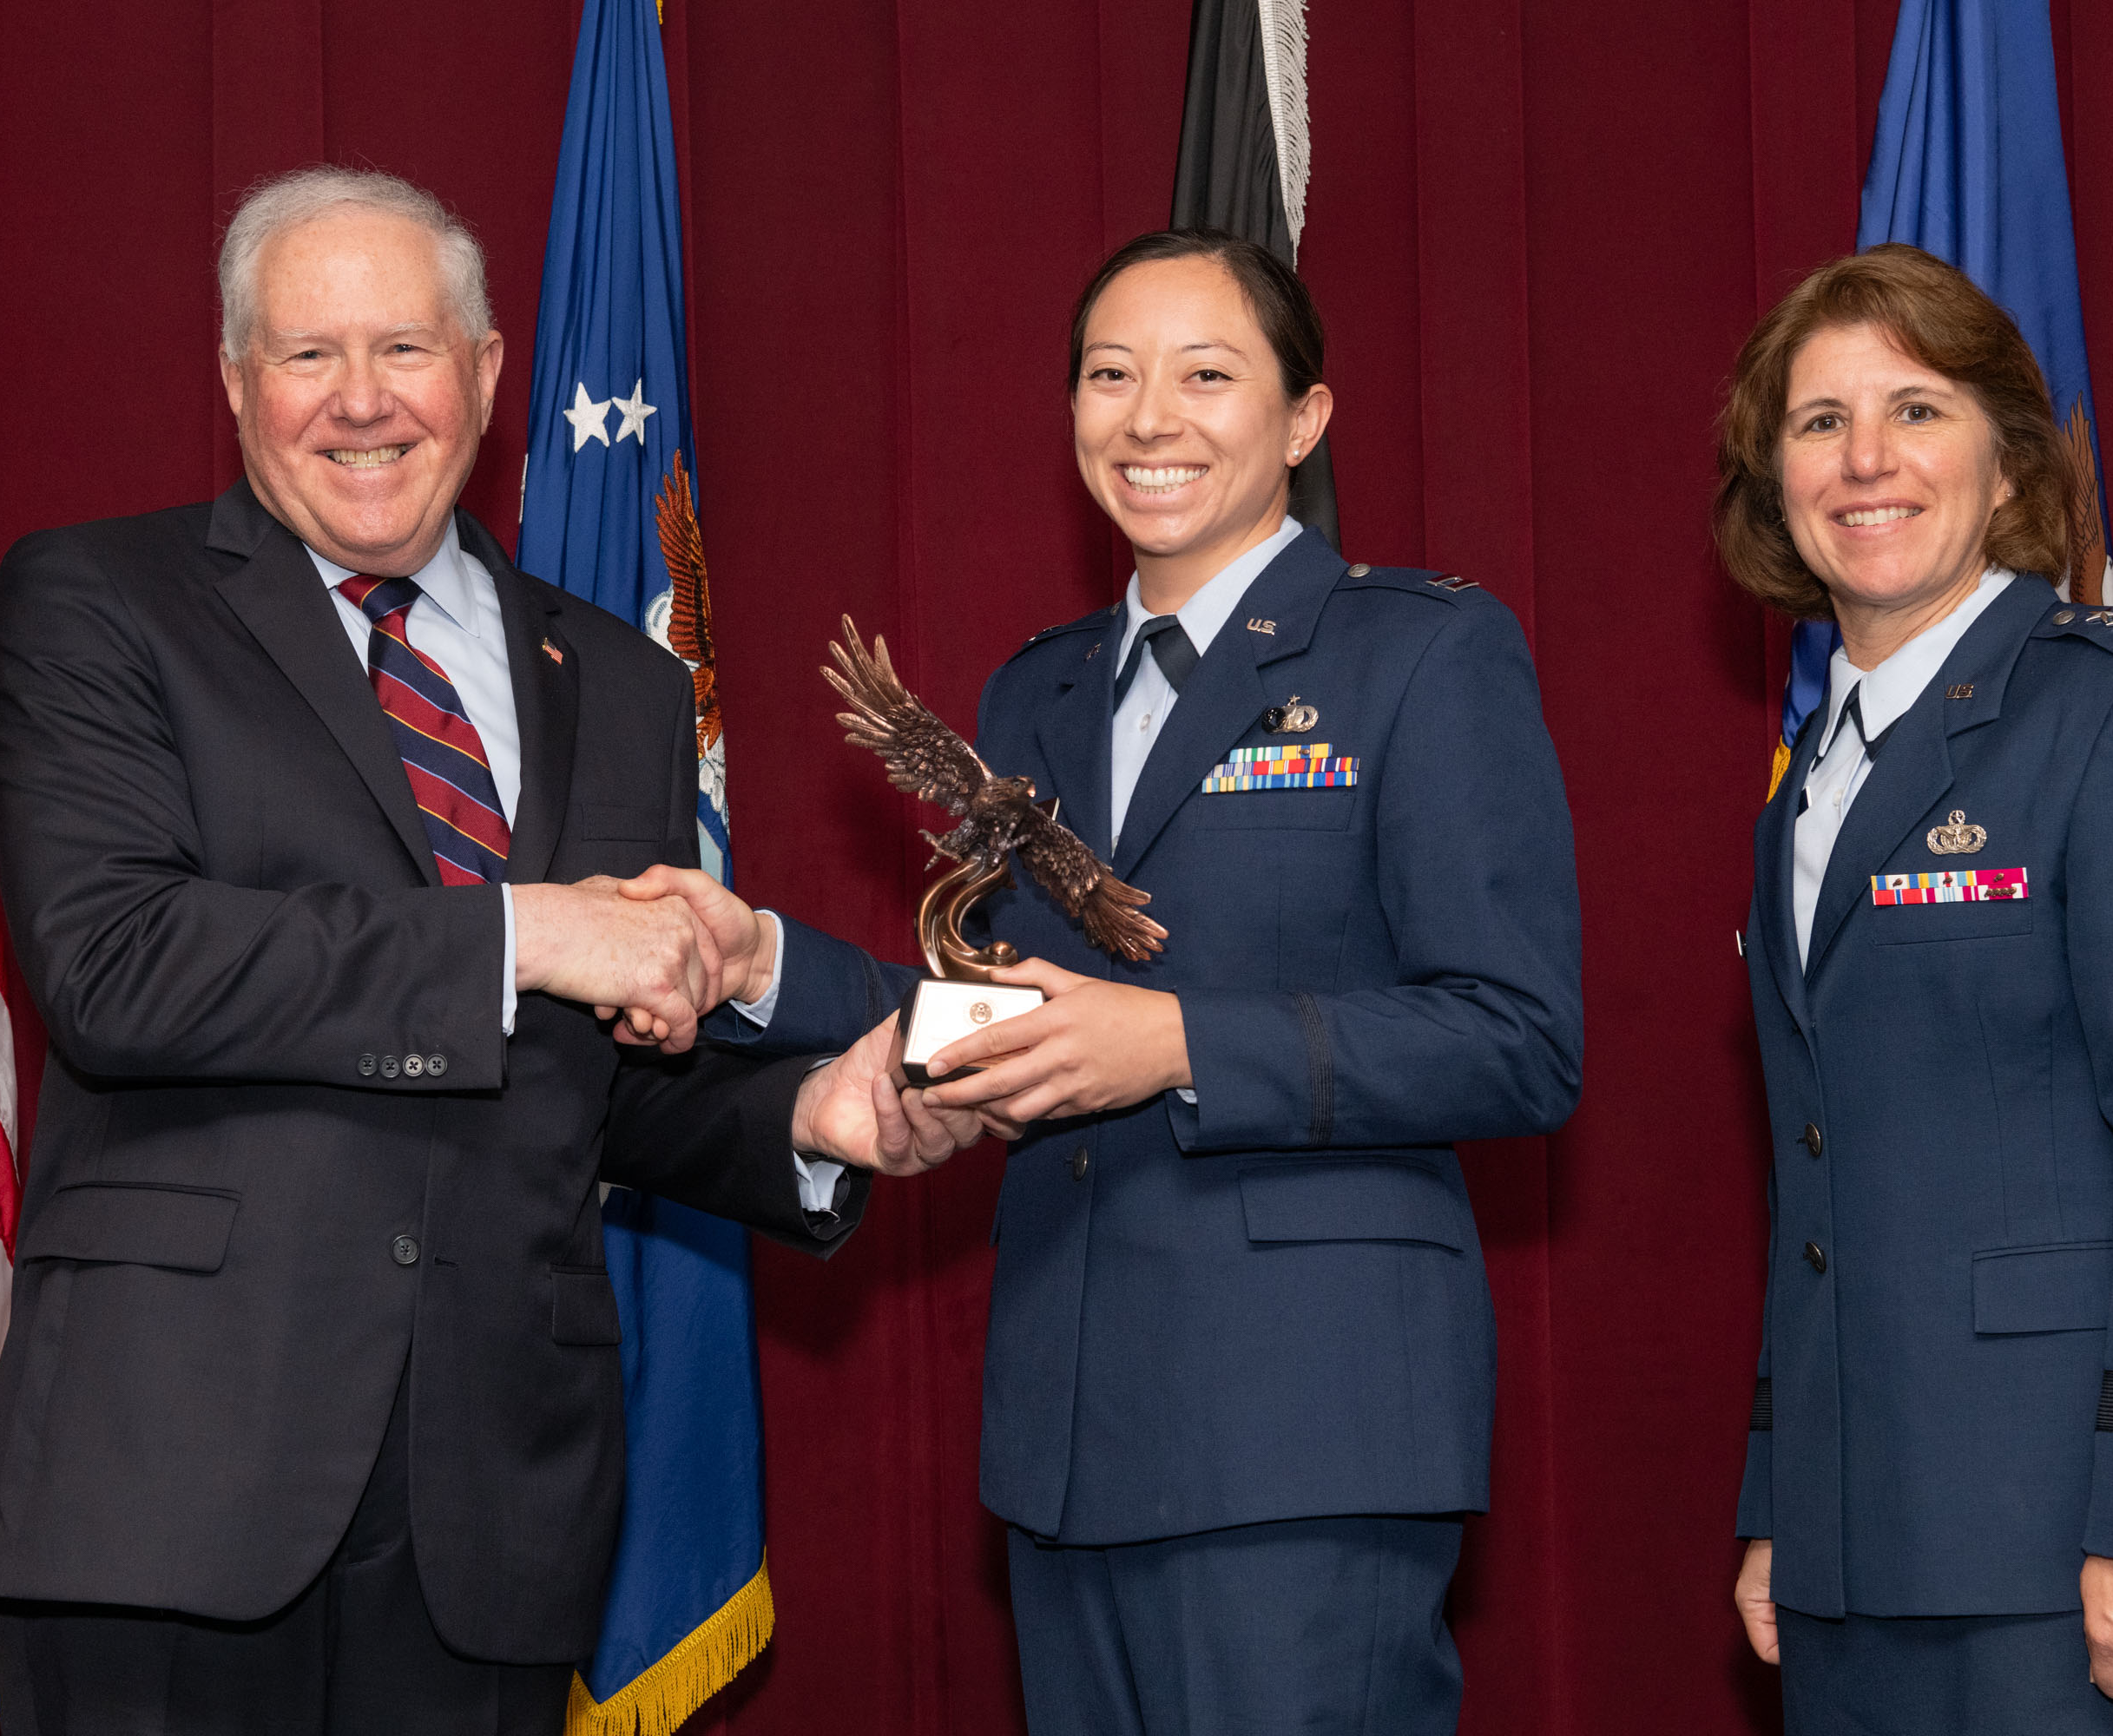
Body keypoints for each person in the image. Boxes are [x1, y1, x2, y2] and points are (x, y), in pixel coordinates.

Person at [0, 167, 978, 1736]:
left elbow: (590, 1075)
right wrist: (532, 927)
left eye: (407, 351)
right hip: (172, 1488)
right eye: (306, 356)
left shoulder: (626, 684)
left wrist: (803, 1124)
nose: (360, 403)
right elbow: (121, 967)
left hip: (493, 1510)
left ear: (491, 376)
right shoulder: (101, 602)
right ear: (235, 383)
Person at [635, 228, 1581, 1733]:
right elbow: (1007, 1019)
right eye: (1110, 375)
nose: (1150, 419)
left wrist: (1183, 1044)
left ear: (1306, 419)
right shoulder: (1040, 687)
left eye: (1209, 375)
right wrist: (762, 962)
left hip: (1307, 1437)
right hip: (1074, 1438)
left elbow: (1520, 1041)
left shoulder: (1424, 654)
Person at [1716, 243, 2113, 1733]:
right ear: (1773, 476)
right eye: (1818, 422)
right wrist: (1790, 1498)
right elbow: (1823, 1189)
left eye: (1916, 412)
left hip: (2082, 1553)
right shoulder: (1812, 789)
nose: (1865, 462)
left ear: (2005, 462)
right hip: (1863, 1555)